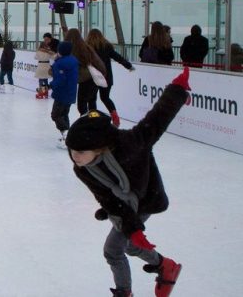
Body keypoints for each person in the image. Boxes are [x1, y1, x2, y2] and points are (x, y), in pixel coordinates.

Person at [65, 68, 190, 297]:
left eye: (81, 151)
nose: (75, 156)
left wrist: (178, 90)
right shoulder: (82, 168)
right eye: (71, 150)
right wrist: (127, 224)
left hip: (145, 198)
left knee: (113, 250)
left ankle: (126, 292)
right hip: (124, 206)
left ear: (98, 147)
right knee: (130, 245)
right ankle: (166, 267)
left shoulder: (130, 144)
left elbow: (157, 119)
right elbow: (106, 196)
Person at [86, 30, 134, 127]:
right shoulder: (106, 46)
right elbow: (117, 57)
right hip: (106, 77)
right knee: (105, 98)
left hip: (92, 78)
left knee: (91, 99)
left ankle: (93, 119)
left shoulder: (88, 47)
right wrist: (128, 66)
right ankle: (114, 115)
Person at [66, 28, 107, 116]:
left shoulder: (72, 49)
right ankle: (94, 121)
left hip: (85, 79)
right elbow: (97, 61)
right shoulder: (86, 46)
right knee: (92, 102)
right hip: (93, 78)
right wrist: (102, 72)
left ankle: (86, 122)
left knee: (82, 104)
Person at [50, 41, 79, 148]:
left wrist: (50, 86)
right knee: (64, 114)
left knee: (56, 115)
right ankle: (67, 135)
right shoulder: (73, 60)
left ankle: (67, 135)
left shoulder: (60, 63)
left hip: (61, 94)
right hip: (71, 92)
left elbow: (60, 79)